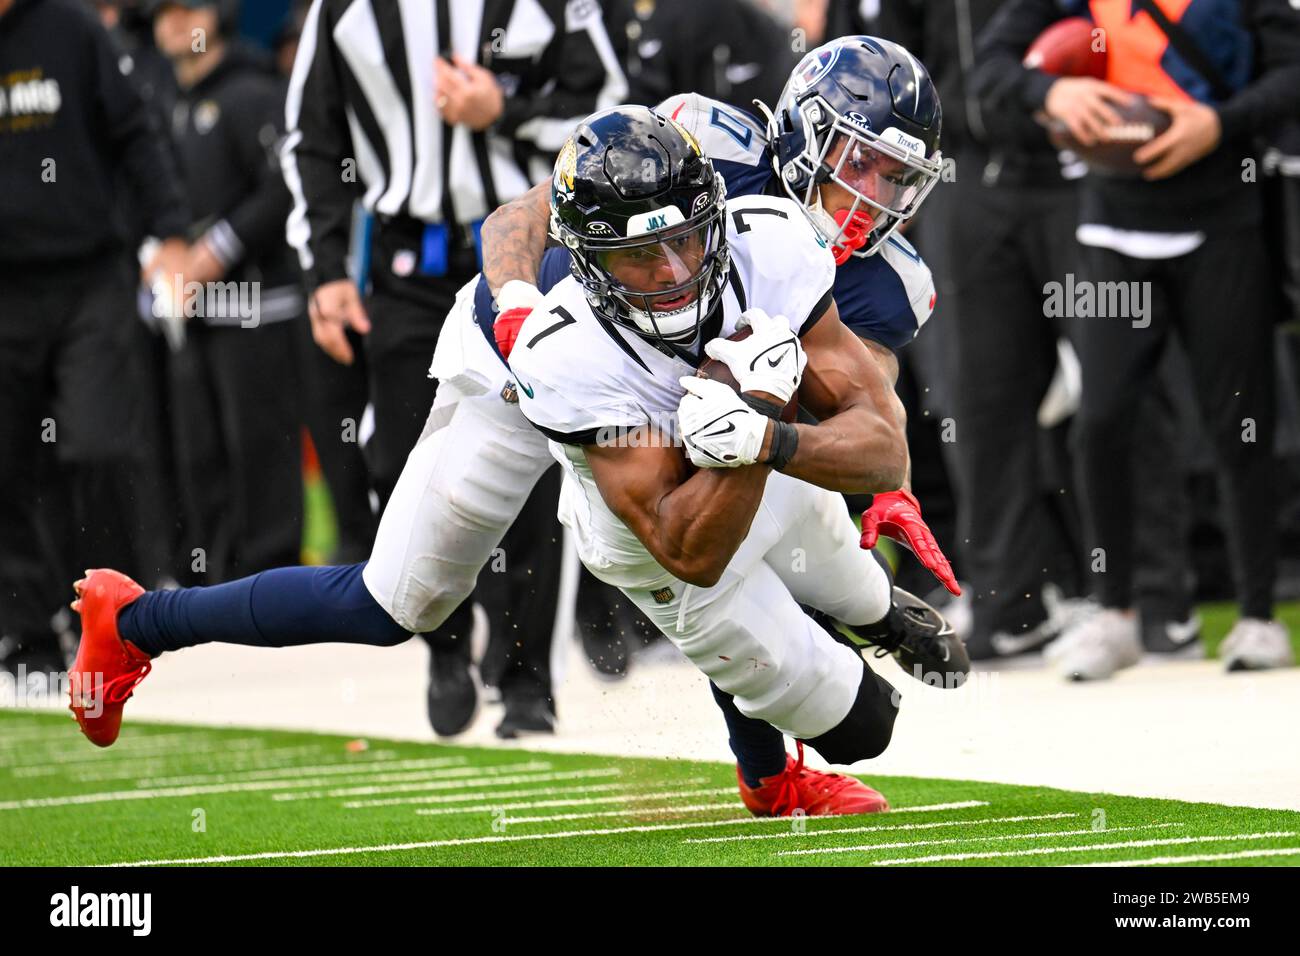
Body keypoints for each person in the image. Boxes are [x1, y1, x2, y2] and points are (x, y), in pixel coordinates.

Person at [509, 105, 967, 812]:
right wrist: (752, 416)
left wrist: (767, 437)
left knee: (851, 578)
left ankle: (878, 613)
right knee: (864, 727)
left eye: (687, 242)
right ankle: (774, 763)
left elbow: (881, 446)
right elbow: (692, 552)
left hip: (768, 464)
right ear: (588, 257)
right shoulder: (563, 350)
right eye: (638, 256)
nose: (672, 273)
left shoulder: (776, 243)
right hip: (658, 539)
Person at [281, 0, 627, 735]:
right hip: (410, 262)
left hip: (531, 252)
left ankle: (527, 680)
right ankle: (442, 642)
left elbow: (609, 112)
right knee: (399, 459)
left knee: (535, 465)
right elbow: (311, 139)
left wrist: (504, 108)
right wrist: (325, 270)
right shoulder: (344, 9)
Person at [976, 0, 1300, 677]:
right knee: (1100, 419)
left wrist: (1220, 122)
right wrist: (1054, 87)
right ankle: (1117, 613)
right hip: (1113, 227)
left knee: (1240, 421)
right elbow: (994, 68)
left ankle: (1258, 616)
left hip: (1223, 222)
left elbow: (1292, 71)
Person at [0, 0, 188, 680]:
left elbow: (135, 129)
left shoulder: (72, 28)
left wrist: (170, 232)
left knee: (100, 444)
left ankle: (113, 625)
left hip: (89, 276)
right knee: (7, 465)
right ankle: (27, 634)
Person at [149, 0, 305, 581]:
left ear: (214, 15)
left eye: (181, 9)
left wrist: (216, 248)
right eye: (158, 14)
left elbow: (281, 187)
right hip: (190, 313)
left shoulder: (252, 91)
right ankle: (213, 581)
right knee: (200, 454)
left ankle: (271, 579)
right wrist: (157, 255)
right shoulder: (166, 103)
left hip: (257, 307)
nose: (169, 23)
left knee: (259, 448)